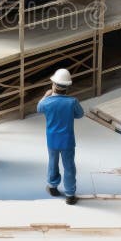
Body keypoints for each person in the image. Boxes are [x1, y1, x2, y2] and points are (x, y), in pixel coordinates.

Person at [37, 68, 84, 205]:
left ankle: (52, 187)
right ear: (67, 87)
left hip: (52, 140)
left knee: (53, 163)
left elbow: (38, 108)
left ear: (53, 86)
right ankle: (70, 194)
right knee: (69, 166)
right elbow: (80, 114)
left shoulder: (47, 102)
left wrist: (45, 96)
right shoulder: (72, 102)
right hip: (67, 141)